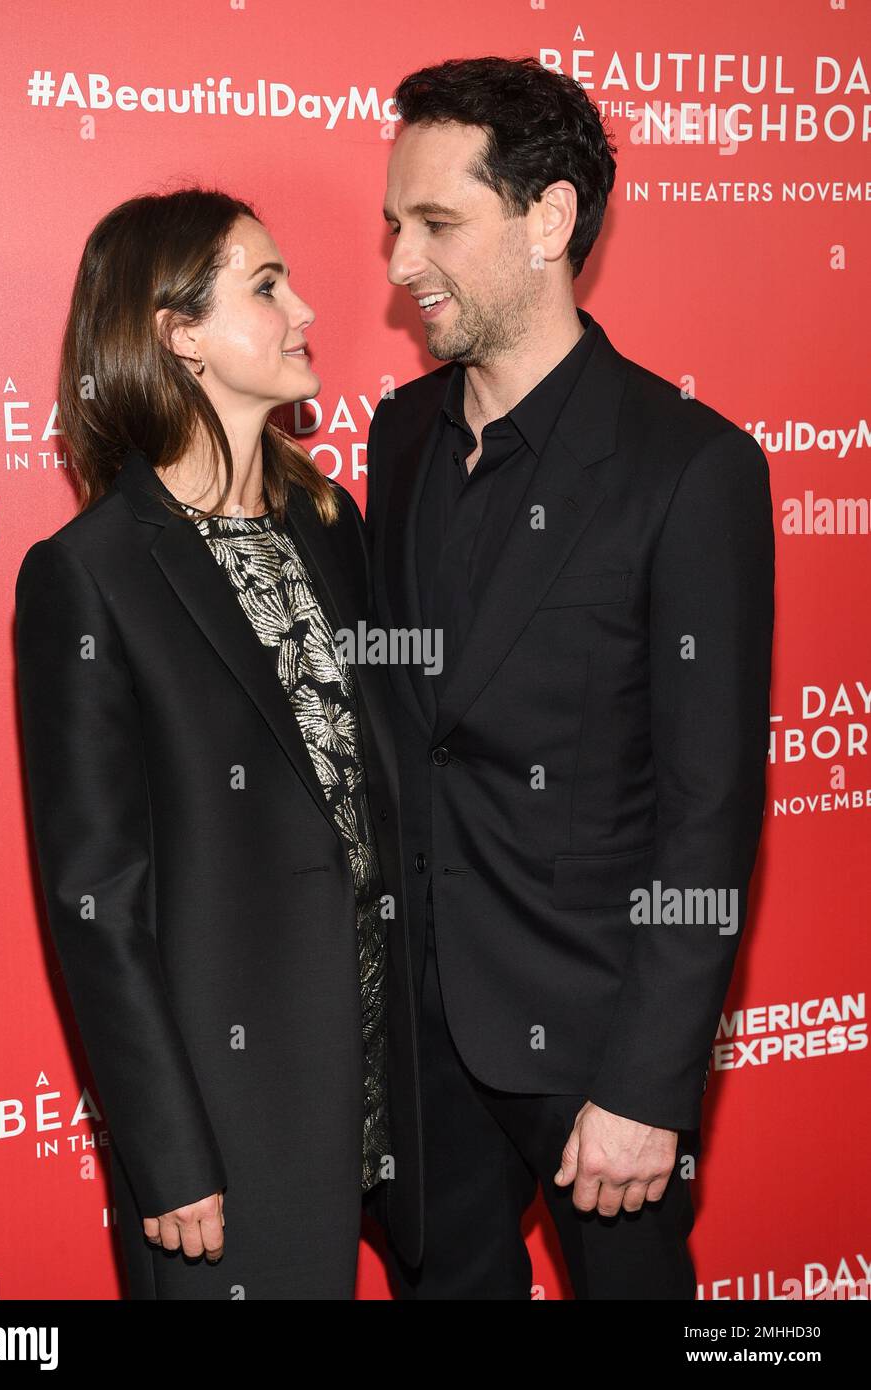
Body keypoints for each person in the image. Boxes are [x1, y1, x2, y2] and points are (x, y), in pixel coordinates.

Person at [366, 56, 774, 1299]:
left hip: (596, 1047)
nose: (398, 263)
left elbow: (707, 818)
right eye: (393, 224)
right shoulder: (400, 435)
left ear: (547, 219)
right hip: (422, 1049)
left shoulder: (688, 469)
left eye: (437, 223)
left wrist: (649, 1084)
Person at [15, 187, 421, 1300]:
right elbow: (96, 897)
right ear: (176, 332)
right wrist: (169, 1150)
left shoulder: (330, 525)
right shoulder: (91, 574)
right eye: (265, 285)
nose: (305, 306)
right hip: (236, 1116)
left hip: (396, 1083)